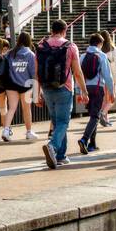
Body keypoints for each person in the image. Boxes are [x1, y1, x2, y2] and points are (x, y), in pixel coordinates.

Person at [34, 20, 89, 169]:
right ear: (65, 30)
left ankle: (60, 156)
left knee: (58, 123)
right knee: (63, 122)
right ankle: (52, 146)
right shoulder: (70, 46)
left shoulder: (40, 45)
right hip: (64, 88)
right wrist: (83, 90)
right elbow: (77, 72)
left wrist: (36, 94)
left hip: (46, 89)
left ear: (52, 30)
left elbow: (37, 72)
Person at [77, 33, 115, 155]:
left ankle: (92, 144)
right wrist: (112, 91)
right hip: (98, 88)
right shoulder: (102, 56)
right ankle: (84, 139)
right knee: (95, 116)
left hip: (86, 88)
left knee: (93, 115)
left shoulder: (82, 56)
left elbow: (78, 75)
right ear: (100, 44)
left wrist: (79, 91)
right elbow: (108, 76)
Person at [2, 31, 38, 141]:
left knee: (12, 108)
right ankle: (28, 132)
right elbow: (33, 73)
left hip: (11, 84)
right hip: (26, 85)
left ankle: (6, 130)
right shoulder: (31, 55)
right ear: (29, 41)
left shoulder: (10, 53)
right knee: (26, 109)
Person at [100, 29, 116, 128]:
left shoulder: (99, 49)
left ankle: (106, 119)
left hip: (101, 76)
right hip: (111, 76)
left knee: (104, 100)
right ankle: (102, 113)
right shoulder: (113, 49)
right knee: (111, 99)